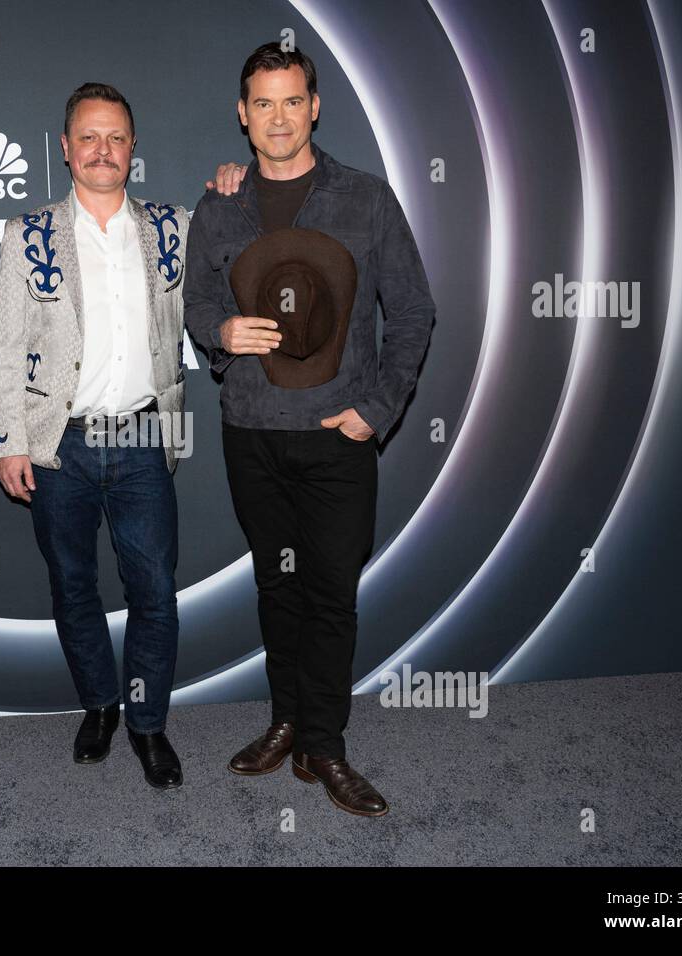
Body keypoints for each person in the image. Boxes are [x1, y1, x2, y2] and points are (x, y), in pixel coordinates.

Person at [184, 42, 436, 816]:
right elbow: (195, 304)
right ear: (242, 115)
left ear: (315, 106)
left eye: (293, 101)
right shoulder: (220, 204)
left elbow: (415, 312)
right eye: (263, 103)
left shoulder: (365, 198)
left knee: (331, 594)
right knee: (277, 587)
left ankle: (325, 745)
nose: (279, 117)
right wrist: (221, 335)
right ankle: (286, 722)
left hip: (337, 437)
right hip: (252, 432)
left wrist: (379, 409)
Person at [0, 82, 190, 790]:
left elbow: (237, 248)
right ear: (67, 149)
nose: (103, 149)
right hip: (57, 446)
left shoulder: (174, 226)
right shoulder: (28, 234)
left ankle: (146, 723)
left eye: (117, 137)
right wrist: (8, 439)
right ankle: (100, 704)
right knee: (73, 586)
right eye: (89, 137)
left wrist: (234, 179)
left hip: (142, 438)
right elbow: (7, 347)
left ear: (133, 150)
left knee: (154, 591)